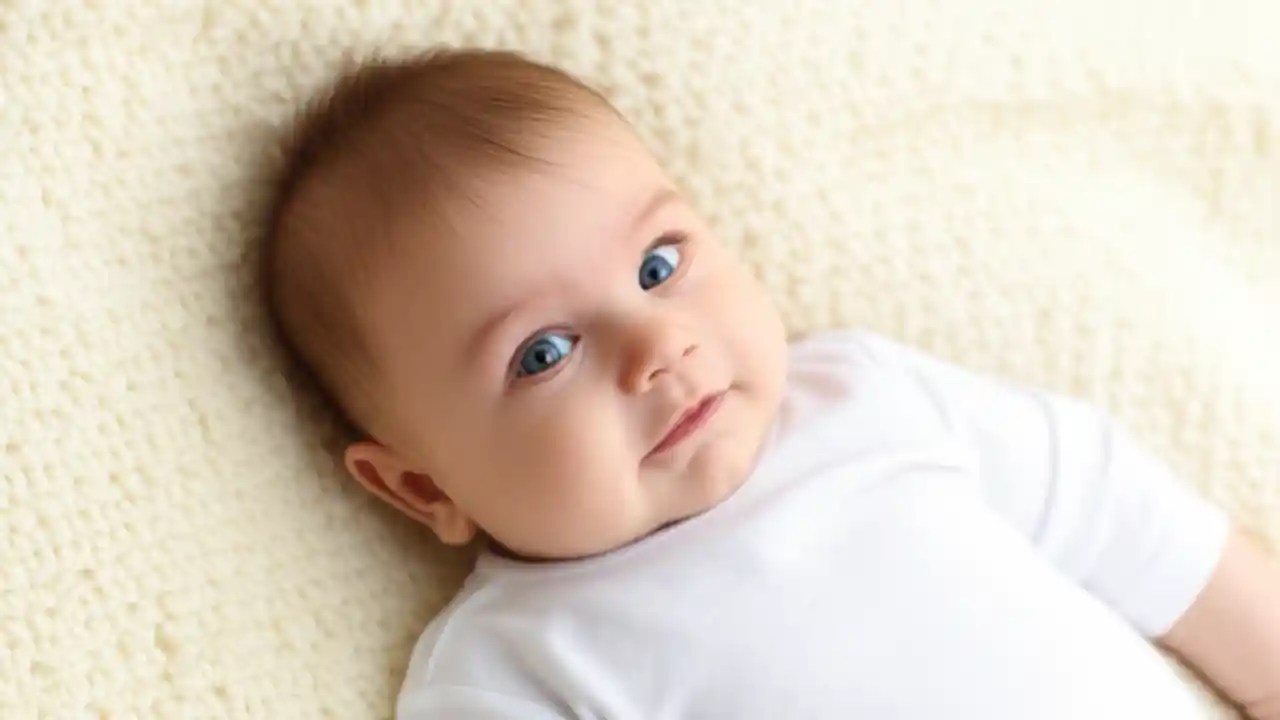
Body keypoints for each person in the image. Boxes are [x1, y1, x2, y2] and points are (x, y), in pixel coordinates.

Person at [262, 49, 1280, 718]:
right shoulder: (518, 667)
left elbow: (1123, 517)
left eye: (657, 266)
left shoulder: (867, 401)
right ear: (421, 488)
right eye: (543, 353)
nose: (654, 346)